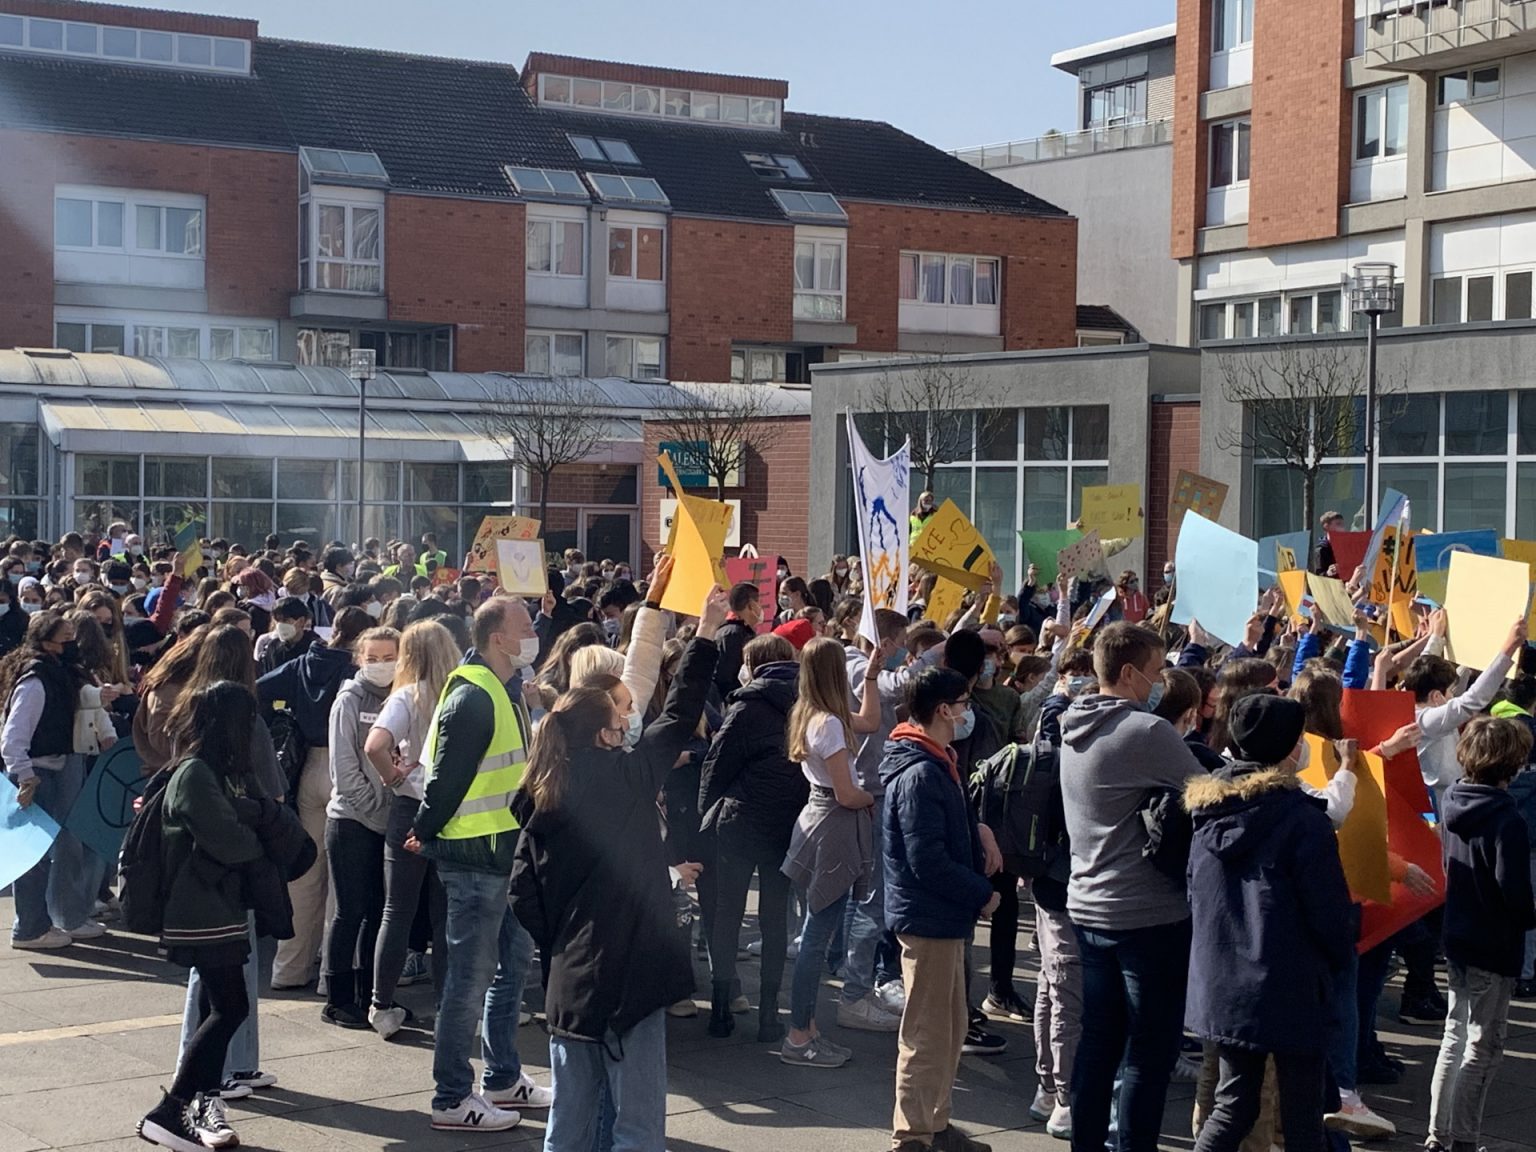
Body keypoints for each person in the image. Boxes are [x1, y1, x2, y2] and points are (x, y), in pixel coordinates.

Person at [511, 585, 727, 1152]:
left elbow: (522, 892)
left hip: (572, 977)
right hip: (635, 970)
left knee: (571, 1120)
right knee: (636, 1123)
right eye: (624, 715)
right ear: (607, 733)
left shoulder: (541, 791)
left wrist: (560, 940)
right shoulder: (629, 780)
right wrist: (704, 635)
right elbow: (680, 713)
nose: (632, 718)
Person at [137, 681, 313, 1152]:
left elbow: (269, 824)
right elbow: (233, 842)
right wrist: (255, 821)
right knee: (228, 1006)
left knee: (226, 1006)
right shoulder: (196, 773)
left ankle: (185, 1106)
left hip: (223, 907)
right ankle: (171, 1109)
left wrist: (253, 816)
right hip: (200, 910)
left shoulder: (228, 772)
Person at [1183, 694, 1353, 1152]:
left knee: (1233, 1104)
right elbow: (1329, 913)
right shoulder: (1302, 821)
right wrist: (1341, 954)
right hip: (1291, 981)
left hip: (1226, 981)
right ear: (1288, 748)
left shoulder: (1207, 812)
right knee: (1302, 1116)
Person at [1058, 622, 1204, 1152]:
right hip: (1146, 913)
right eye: (1157, 671)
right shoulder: (1145, 732)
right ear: (1128, 673)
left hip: (1090, 904)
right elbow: (1205, 792)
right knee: (1149, 1049)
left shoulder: (1074, 722)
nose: (1160, 682)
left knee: (1099, 1042)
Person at [409, 597, 552, 1131]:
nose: (533, 632)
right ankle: (451, 1096)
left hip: (502, 852)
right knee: (469, 980)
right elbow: (444, 779)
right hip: (475, 857)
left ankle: (502, 1078)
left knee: (509, 968)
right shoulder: (473, 695)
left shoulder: (500, 689)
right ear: (499, 637)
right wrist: (423, 830)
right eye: (525, 626)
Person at [882, 667, 1000, 1152]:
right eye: (963, 701)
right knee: (928, 1033)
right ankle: (913, 1135)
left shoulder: (935, 761)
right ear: (941, 710)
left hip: (940, 917)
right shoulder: (921, 771)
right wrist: (981, 892)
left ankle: (934, 1123)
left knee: (948, 1030)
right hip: (929, 916)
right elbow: (926, 858)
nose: (967, 709)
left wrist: (978, 835)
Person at [1428, 715, 1536, 1152]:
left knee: (1455, 1036)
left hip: (1458, 933)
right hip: (1493, 943)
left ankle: (1440, 1133)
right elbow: (1513, 892)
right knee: (1484, 1046)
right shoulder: (1506, 821)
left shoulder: (1453, 800)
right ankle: (1464, 1139)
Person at [780, 634, 888, 1066]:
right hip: (834, 824)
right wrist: (873, 799)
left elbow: (871, 720)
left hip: (819, 818)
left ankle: (806, 1029)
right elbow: (846, 793)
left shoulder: (813, 714)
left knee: (816, 933)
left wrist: (875, 675)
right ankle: (799, 1034)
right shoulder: (828, 723)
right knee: (817, 938)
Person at [699, 632, 804, 1042]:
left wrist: (705, 817)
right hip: (787, 822)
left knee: (727, 914)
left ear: (754, 665)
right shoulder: (809, 701)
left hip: (741, 821)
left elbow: (716, 764)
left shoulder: (746, 707)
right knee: (775, 920)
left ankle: (722, 1009)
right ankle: (768, 1017)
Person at [365, 619, 459, 1038]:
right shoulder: (462, 694)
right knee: (445, 916)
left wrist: (397, 779)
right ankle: (447, 1005)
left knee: (396, 910)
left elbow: (374, 745)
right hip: (452, 812)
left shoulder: (407, 696)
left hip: (409, 808)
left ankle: (381, 1004)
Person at [256, 625, 359, 988]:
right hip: (347, 766)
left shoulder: (301, 664)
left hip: (308, 765)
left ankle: (289, 968)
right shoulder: (356, 672)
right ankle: (332, 974)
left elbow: (260, 688)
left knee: (304, 872)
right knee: (342, 881)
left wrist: (282, 721)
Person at [3, 609, 101, 949]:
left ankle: (37, 922)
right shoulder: (36, 681)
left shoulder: (52, 673)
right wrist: (26, 777)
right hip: (37, 773)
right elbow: (13, 737)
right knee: (34, 856)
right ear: (46, 643)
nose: (72, 646)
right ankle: (29, 929)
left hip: (47, 768)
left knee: (43, 853)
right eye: (65, 640)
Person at [321, 626, 401, 1028]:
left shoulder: (403, 698)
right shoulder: (347, 700)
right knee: (349, 911)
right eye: (375, 657)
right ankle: (337, 999)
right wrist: (375, 811)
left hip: (386, 821)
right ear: (359, 658)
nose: (383, 665)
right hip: (351, 820)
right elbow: (344, 771)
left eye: (391, 657)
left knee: (377, 911)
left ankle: (372, 993)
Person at [713, 581, 763, 702]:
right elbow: (726, 676)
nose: (761, 607)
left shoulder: (741, 631)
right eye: (759, 602)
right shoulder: (733, 634)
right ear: (750, 605)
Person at [1313, 511, 1345, 575]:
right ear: (1327, 527)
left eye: (1342, 524)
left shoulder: (1346, 546)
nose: (1342, 527)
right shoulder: (1321, 549)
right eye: (1338, 524)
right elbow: (1319, 575)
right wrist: (1329, 572)